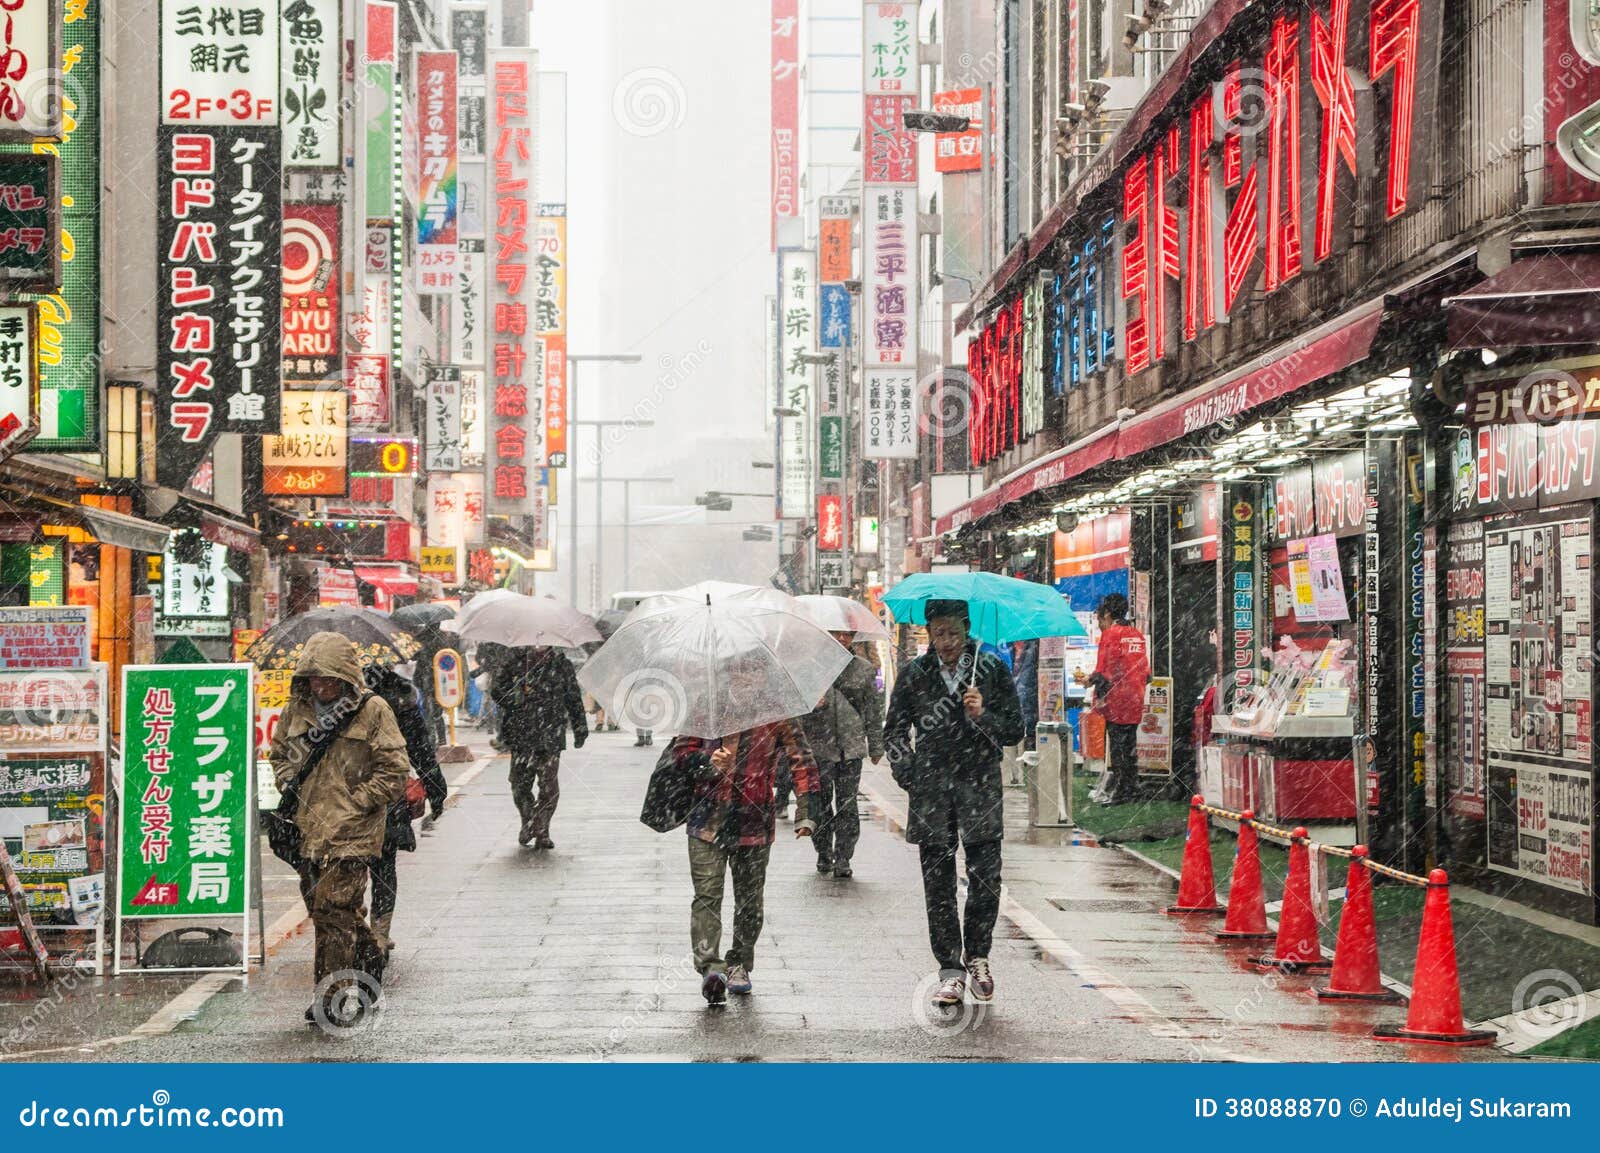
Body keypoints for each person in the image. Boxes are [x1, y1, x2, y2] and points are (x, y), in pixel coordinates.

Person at [884, 599, 1024, 1007]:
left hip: (979, 787)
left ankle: (978, 955)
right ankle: (949, 969)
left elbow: (1015, 729)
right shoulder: (915, 674)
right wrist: (909, 774)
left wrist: (983, 715)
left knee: (985, 878)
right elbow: (894, 733)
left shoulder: (991, 669)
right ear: (929, 634)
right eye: (939, 633)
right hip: (931, 791)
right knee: (938, 884)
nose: (946, 642)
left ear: (967, 629)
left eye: (953, 633)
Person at [270, 632, 411, 1024]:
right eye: (314, 677)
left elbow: (394, 769)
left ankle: (330, 997)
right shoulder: (296, 711)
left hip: (355, 832)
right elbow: (279, 755)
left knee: (333, 909)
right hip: (308, 830)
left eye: (329, 677)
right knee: (326, 910)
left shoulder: (373, 709)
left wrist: (359, 801)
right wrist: (289, 783)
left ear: (346, 676)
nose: (321, 685)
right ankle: (370, 954)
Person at [663, 715, 818, 1004]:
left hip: (754, 820)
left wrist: (806, 810)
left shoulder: (775, 711)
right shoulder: (706, 704)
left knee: (750, 900)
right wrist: (706, 761)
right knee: (707, 896)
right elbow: (681, 754)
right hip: (707, 820)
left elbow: (801, 759)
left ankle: (739, 962)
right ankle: (710, 968)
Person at [364, 663, 449, 958]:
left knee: (356, 865)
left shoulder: (337, 698)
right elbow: (421, 750)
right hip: (388, 794)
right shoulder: (400, 696)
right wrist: (436, 790)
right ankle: (379, 931)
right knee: (383, 866)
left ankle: (365, 929)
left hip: (352, 797)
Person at [799, 631, 885, 878]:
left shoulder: (863, 669)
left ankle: (844, 856)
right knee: (821, 802)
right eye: (835, 634)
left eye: (846, 635)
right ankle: (823, 851)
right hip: (819, 746)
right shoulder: (809, 668)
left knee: (848, 804)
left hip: (851, 746)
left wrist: (876, 744)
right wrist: (812, 705)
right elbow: (796, 709)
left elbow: (873, 709)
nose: (841, 639)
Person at [490, 644, 587, 849]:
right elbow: (497, 690)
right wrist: (516, 696)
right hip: (521, 734)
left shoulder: (561, 665)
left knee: (548, 785)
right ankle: (528, 820)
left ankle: (542, 828)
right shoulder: (515, 661)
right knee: (519, 784)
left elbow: (573, 697)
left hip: (551, 734)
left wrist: (580, 727)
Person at [1075, 593, 1150, 806]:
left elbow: (1103, 672)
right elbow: (1147, 673)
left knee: (1118, 749)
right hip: (1135, 697)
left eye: (1099, 619)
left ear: (1107, 614)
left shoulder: (1110, 635)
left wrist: (1089, 682)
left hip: (1117, 700)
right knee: (1130, 746)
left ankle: (1121, 790)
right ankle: (1131, 788)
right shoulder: (1136, 634)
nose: (1099, 624)